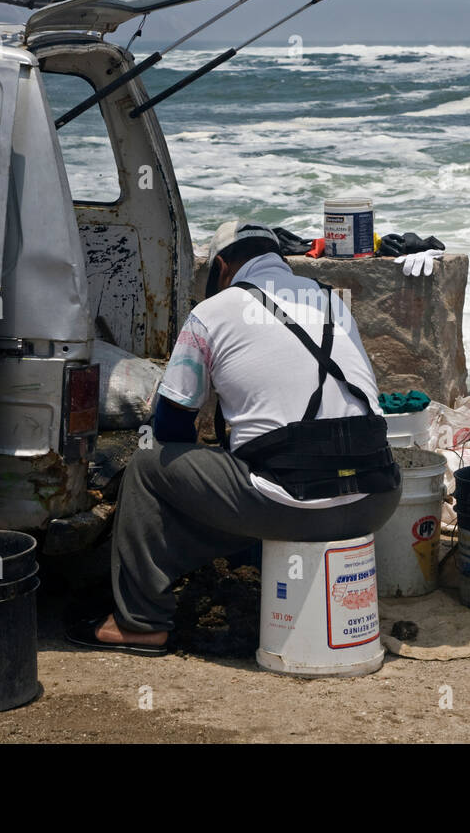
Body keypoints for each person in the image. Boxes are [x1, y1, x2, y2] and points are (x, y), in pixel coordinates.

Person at [68, 220, 402, 654]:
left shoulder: (212, 312)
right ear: (279, 261)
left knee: (150, 465)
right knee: (252, 466)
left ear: (222, 267)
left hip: (295, 506)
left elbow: (171, 425)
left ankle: (141, 622)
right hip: (375, 500)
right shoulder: (331, 301)